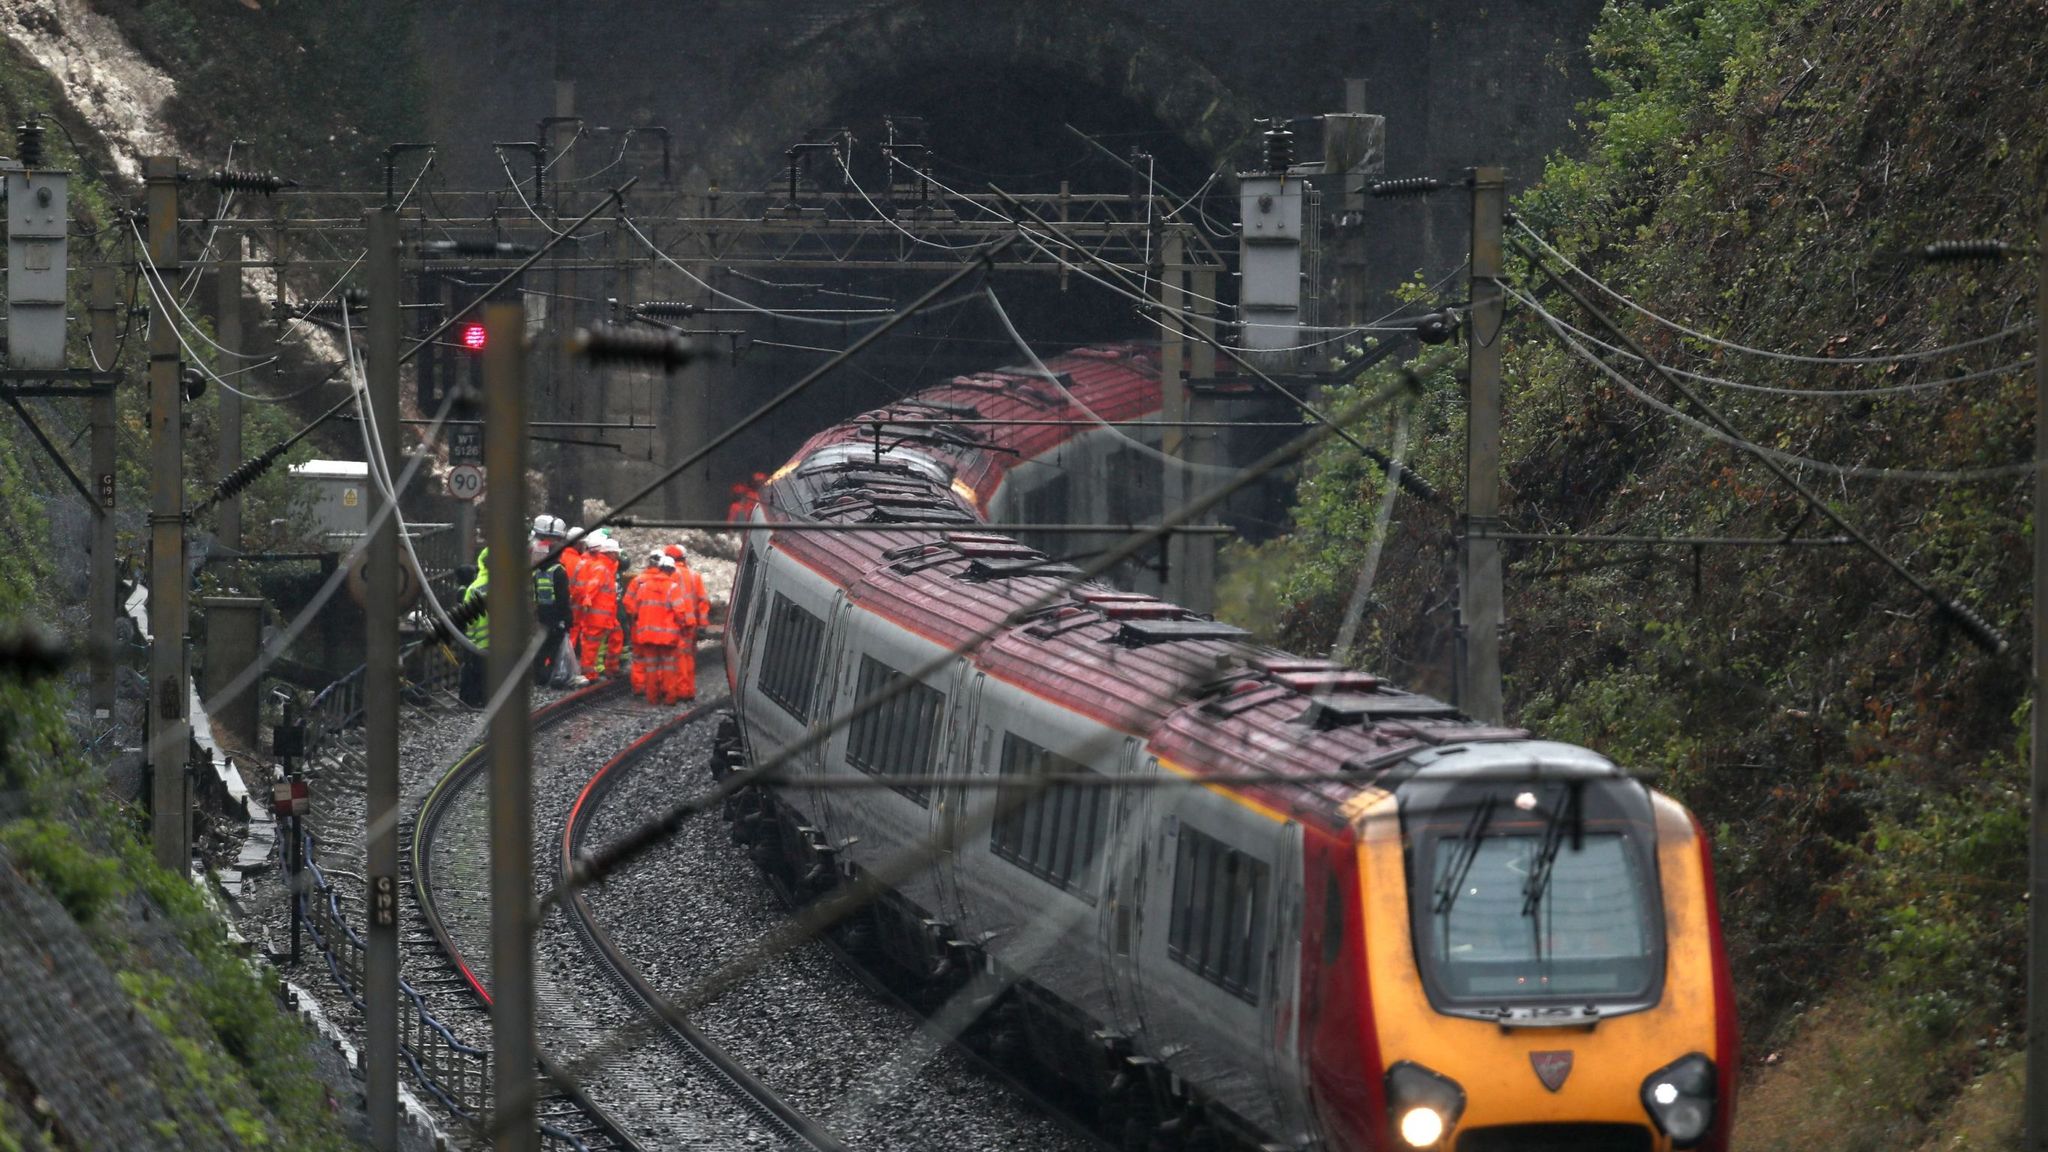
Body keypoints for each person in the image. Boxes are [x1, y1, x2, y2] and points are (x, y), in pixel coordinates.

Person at [622, 550, 682, 704]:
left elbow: (629, 602)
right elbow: (680, 611)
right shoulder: (672, 587)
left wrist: (637, 617)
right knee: (667, 666)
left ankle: (646, 693)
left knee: (645, 663)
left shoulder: (640, 583)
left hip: (644, 631)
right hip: (667, 635)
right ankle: (667, 695)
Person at [663, 543, 710, 703]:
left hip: (671, 623)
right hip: (690, 624)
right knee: (687, 657)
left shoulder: (666, 574)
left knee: (672, 658)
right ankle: (687, 690)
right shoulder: (694, 576)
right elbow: (703, 601)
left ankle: (672, 690)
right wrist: (702, 624)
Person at [575, 534, 625, 681]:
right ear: (609, 553)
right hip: (597, 616)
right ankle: (589, 674)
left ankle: (611, 668)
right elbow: (593, 585)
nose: (617, 555)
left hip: (607, 615)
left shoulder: (606, 567)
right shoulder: (601, 568)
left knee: (616, 637)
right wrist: (587, 600)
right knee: (591, 644)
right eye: (616, 553)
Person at [530, 537, 572, 686]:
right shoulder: (559, 571)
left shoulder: (538, 571)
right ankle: (555, 676)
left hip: (543, 613)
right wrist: (567, 618)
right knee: (556, 648)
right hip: (556, 615)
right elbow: (563, 597)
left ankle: (539, 677)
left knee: (542, 646)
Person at [457, 547, 490, 707]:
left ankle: (474, 701)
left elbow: (467, 618)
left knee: (476, 675)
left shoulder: (474, 588)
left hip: (479, 644)